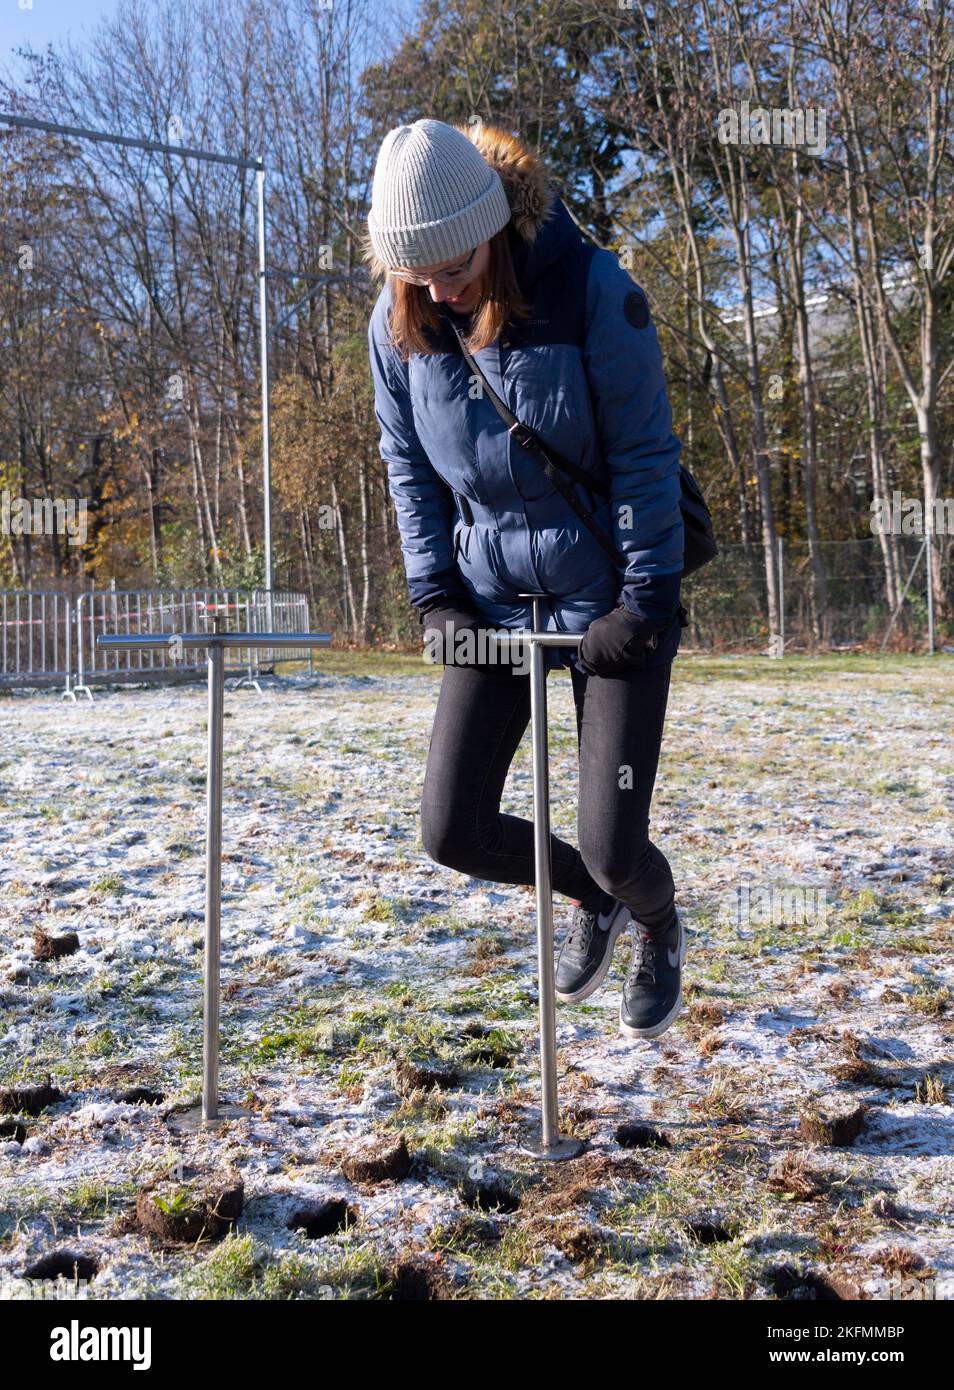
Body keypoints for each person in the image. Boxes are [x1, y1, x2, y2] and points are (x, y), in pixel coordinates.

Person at [363, 118, 687, 1039]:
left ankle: (650, 915)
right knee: (451, 831)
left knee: (615, 846)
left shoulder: (591, 291)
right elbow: (408, 467)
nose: (436, 288)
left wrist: (645, 601)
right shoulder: (401, 324)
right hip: (492, 602)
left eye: (453, 265)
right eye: (413, 272)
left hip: (609, 598)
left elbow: (643, 456)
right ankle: (594, 897)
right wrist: (434, 596)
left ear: (495, 225)